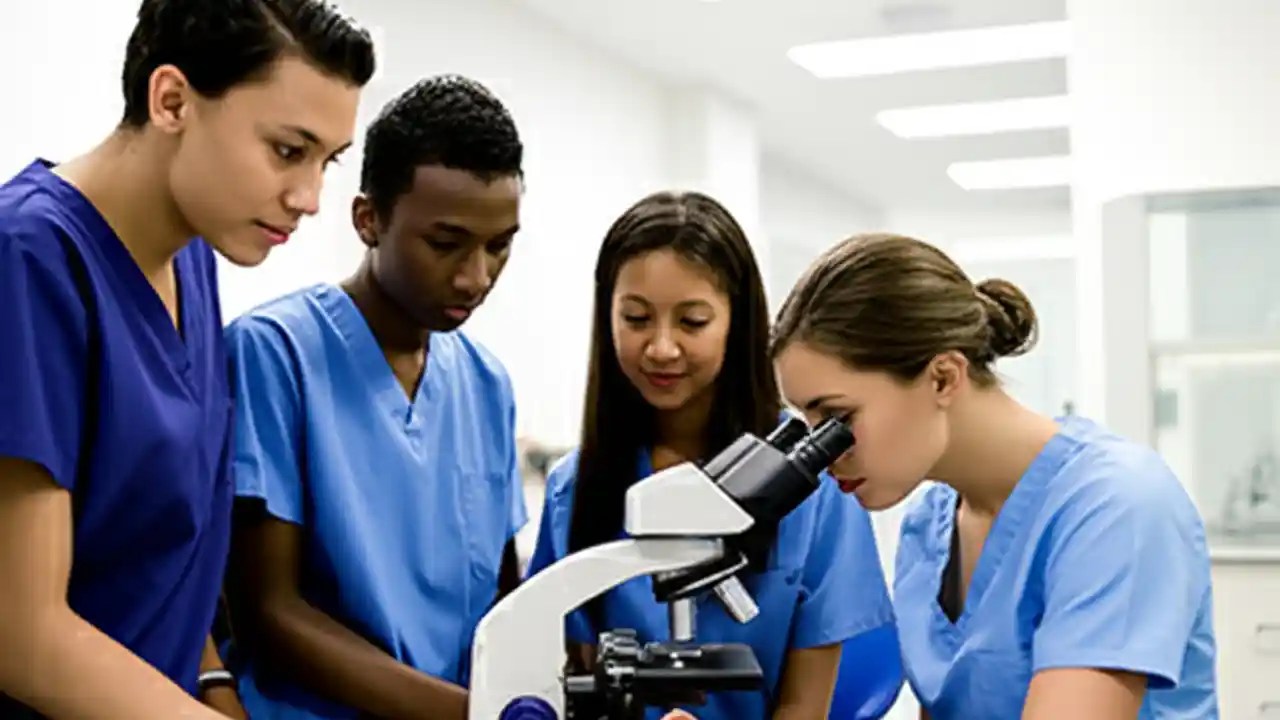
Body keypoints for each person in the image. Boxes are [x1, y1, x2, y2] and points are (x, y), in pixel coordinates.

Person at [0, 1, 374, 718]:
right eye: (288, 150)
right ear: (171, 100)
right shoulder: (30, 259)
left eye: (328, 161)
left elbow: (159, 557)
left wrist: (211, 682)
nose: (310, 198)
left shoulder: (195, 260)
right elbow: (23, 633)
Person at [769, 233, 1219, 719]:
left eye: (837, 418)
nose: (822, 453)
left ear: (943, 377)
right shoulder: (929, 524)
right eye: (809, 425)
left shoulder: (1119, 506)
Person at [526, 191, 900, 720]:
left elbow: (806, 705)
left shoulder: (811, 486)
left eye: (692, 322)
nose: (661, 347)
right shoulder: (576, 487)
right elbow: (577, 678)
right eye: (636, 318)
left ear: (737, 322)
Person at [222, 75, 528, 720]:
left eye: (499, 246)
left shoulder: (487, 385)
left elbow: (501, 606)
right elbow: (267, 612)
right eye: (445, 244)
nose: (476, 277)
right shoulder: (274, 354)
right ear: (369, 219)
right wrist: (465, 714)